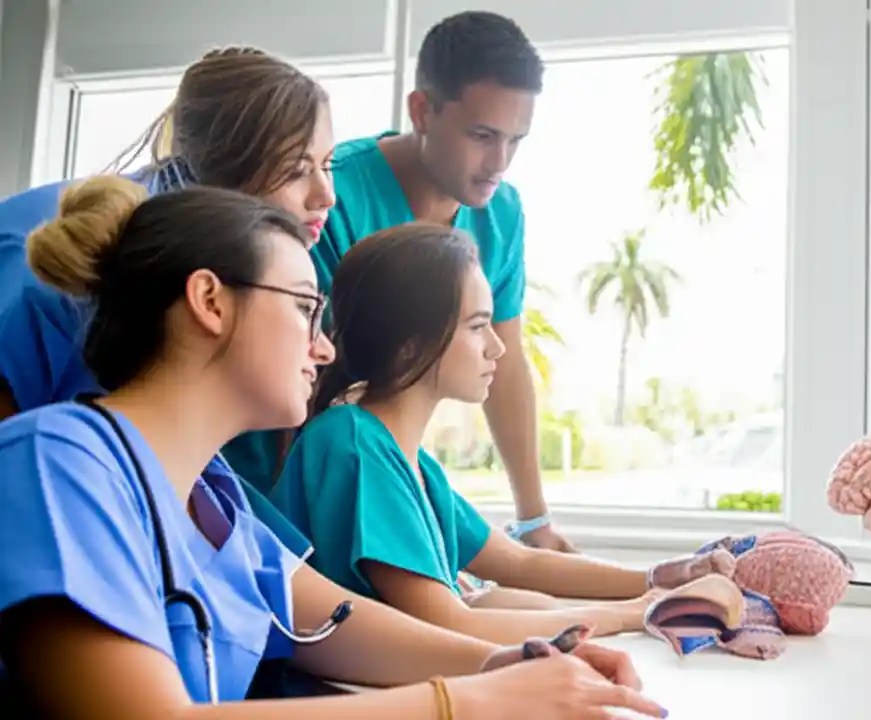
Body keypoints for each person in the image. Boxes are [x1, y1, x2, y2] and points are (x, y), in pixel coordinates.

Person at [0, 177, 665, 719]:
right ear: (210, 301)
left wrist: (512, 664)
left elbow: (336, 622)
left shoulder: (215, 499)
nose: (323, 348)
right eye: (303, 309)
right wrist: (464, 703)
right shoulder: (54, 461)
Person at [271, 223, 736, 645]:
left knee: (526, 606)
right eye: (477, 327)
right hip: (325, 691)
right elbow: (450, 624)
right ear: (411, 346)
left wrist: (660, 577)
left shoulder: (408, 460)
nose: (496, 347)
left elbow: (518, 562)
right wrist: (639, 612)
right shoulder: (353, 445)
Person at [0, 47, 341, 552]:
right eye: (296, 169)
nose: (326, 195)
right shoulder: (93, 268)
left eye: (328, 165)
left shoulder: (200, 265)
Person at [312, 11, 572, 551]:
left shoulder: (502, 213)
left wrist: (534, 519)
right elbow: (301, 367)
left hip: (389, 469)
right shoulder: (331, 195)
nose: (499, 162)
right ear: (421, 111)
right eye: (482, 135)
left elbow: (507, 361)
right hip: (318, 474)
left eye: (516, 140)